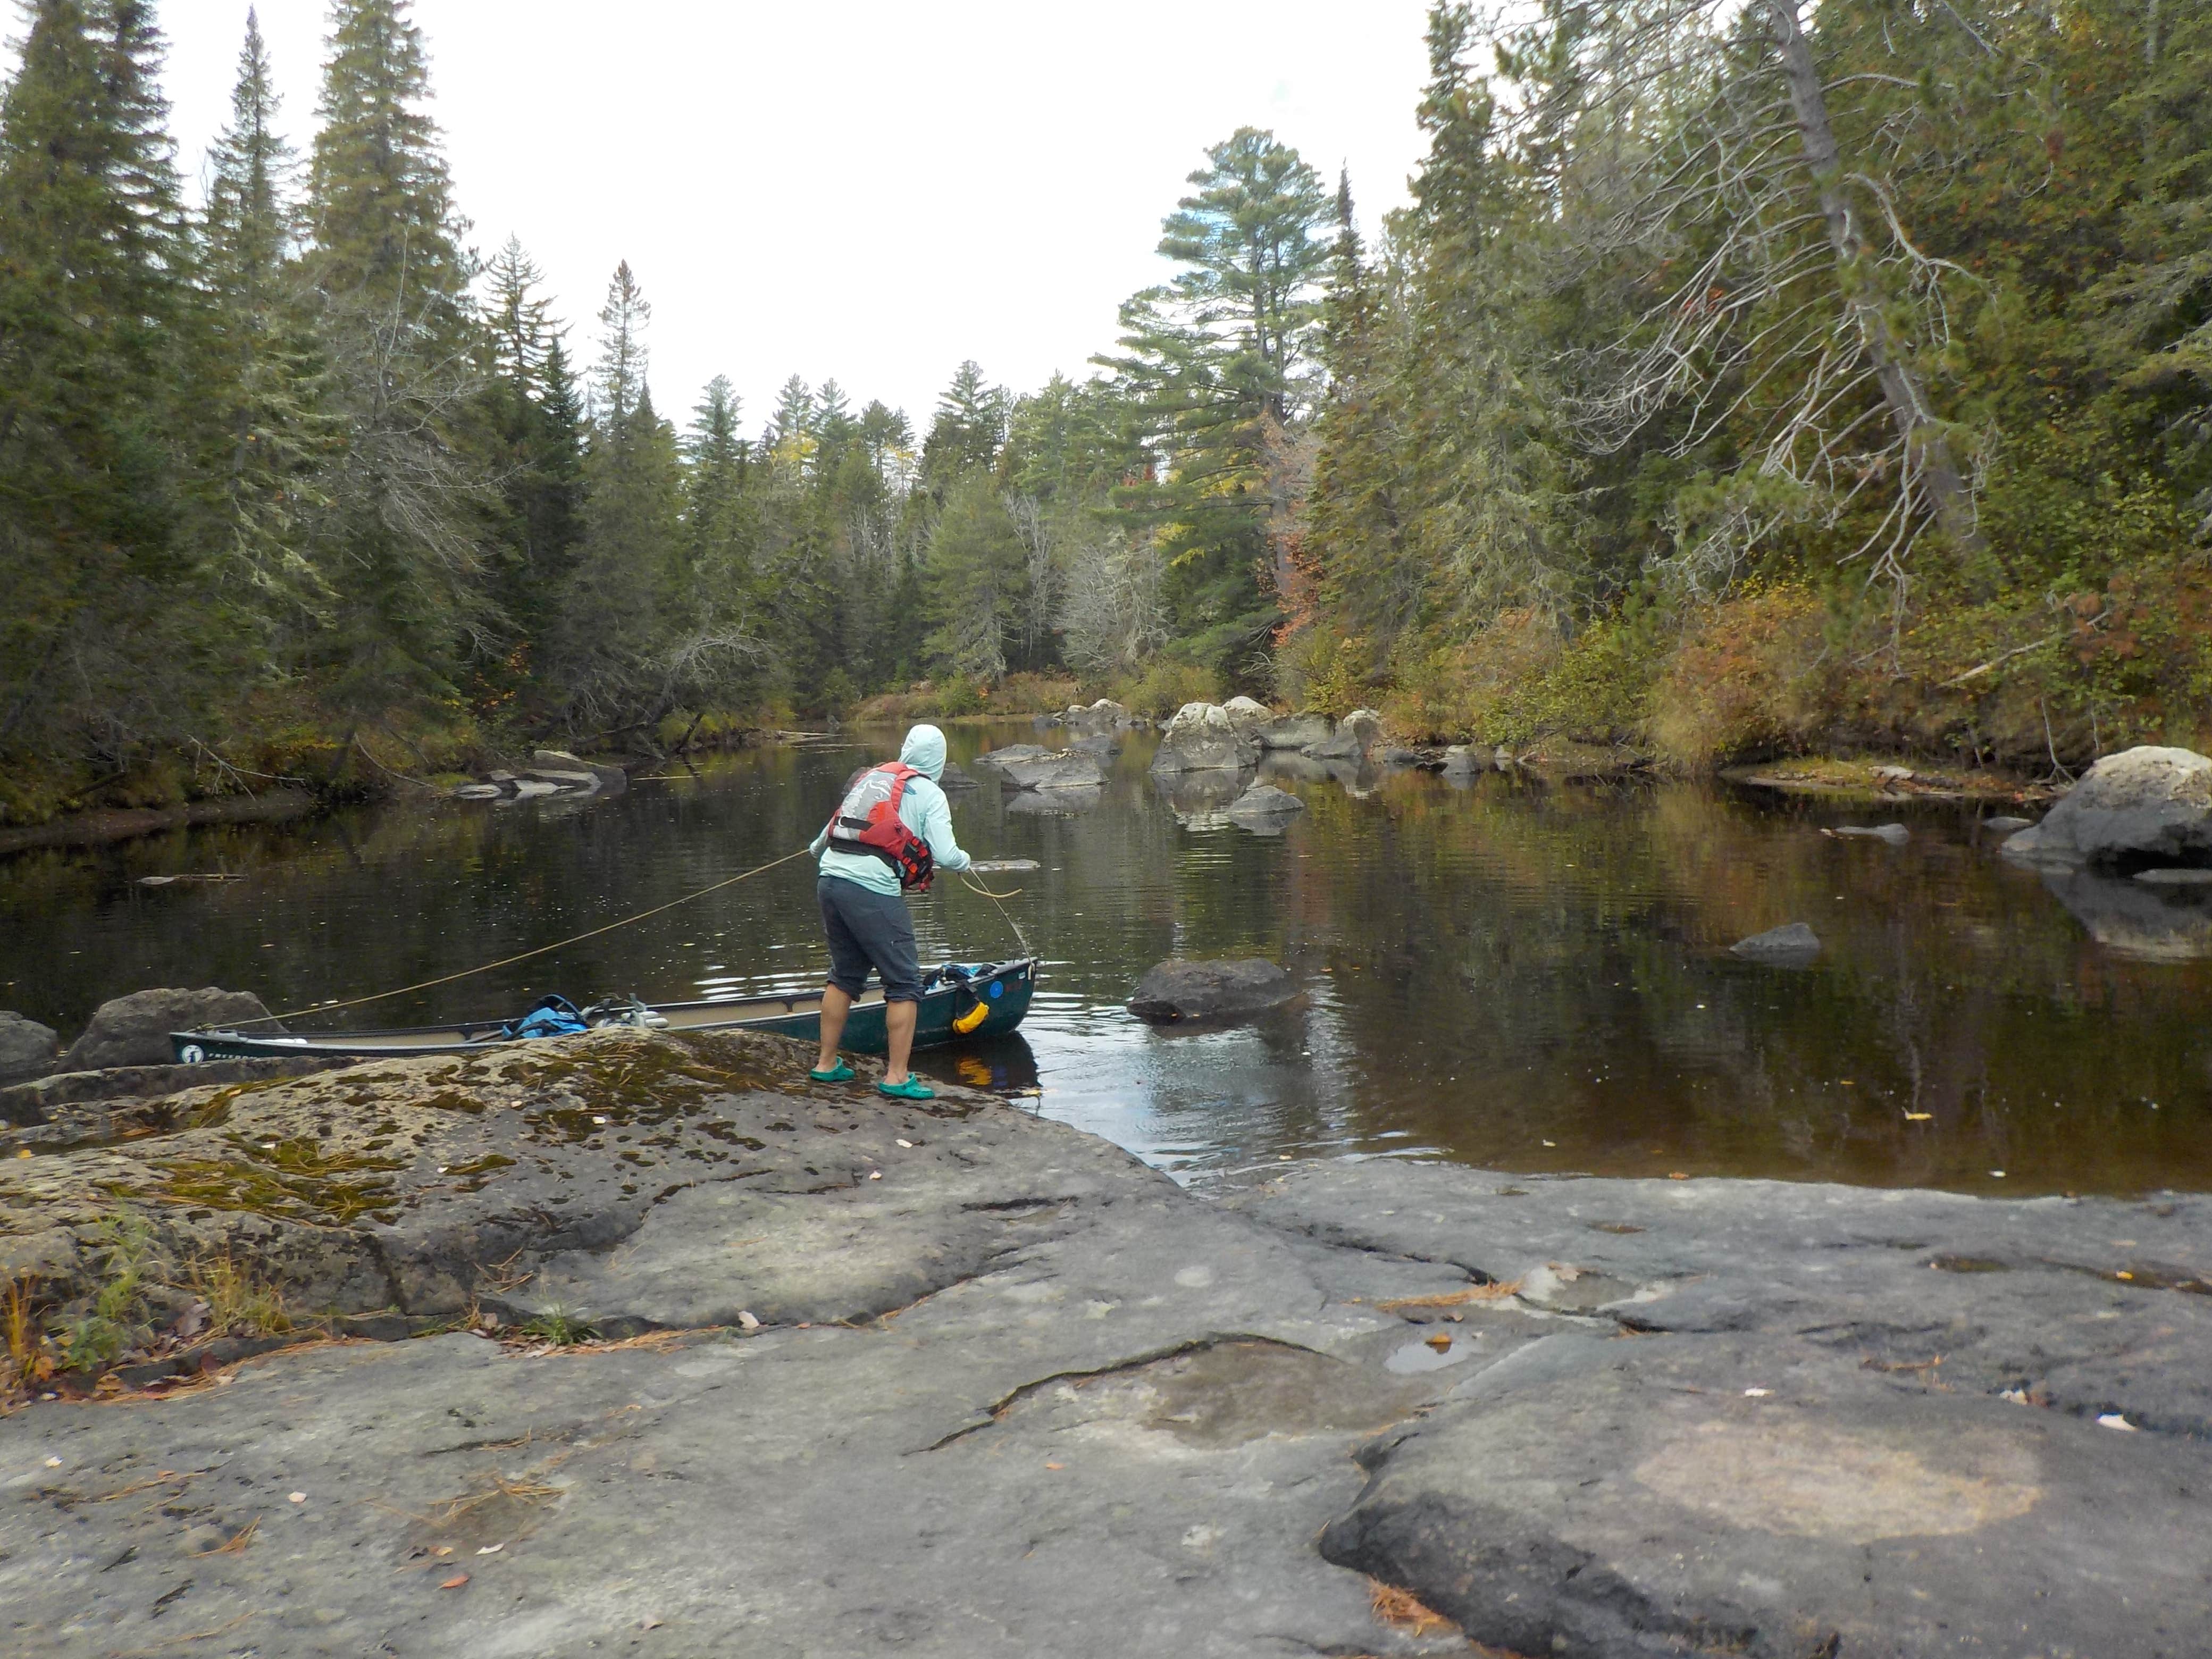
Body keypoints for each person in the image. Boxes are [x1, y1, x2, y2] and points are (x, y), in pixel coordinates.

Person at [806, 723, 974, 1099]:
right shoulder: (930, 792)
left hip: (830, 880)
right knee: (904, 983)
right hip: (870, 888)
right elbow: (946, 855)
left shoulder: (872, 779)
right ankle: (897, 1078)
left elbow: (819, 843)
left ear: (905, 749)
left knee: (845, 975)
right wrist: (965, 863)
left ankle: (826, 1064)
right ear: (940, 760)